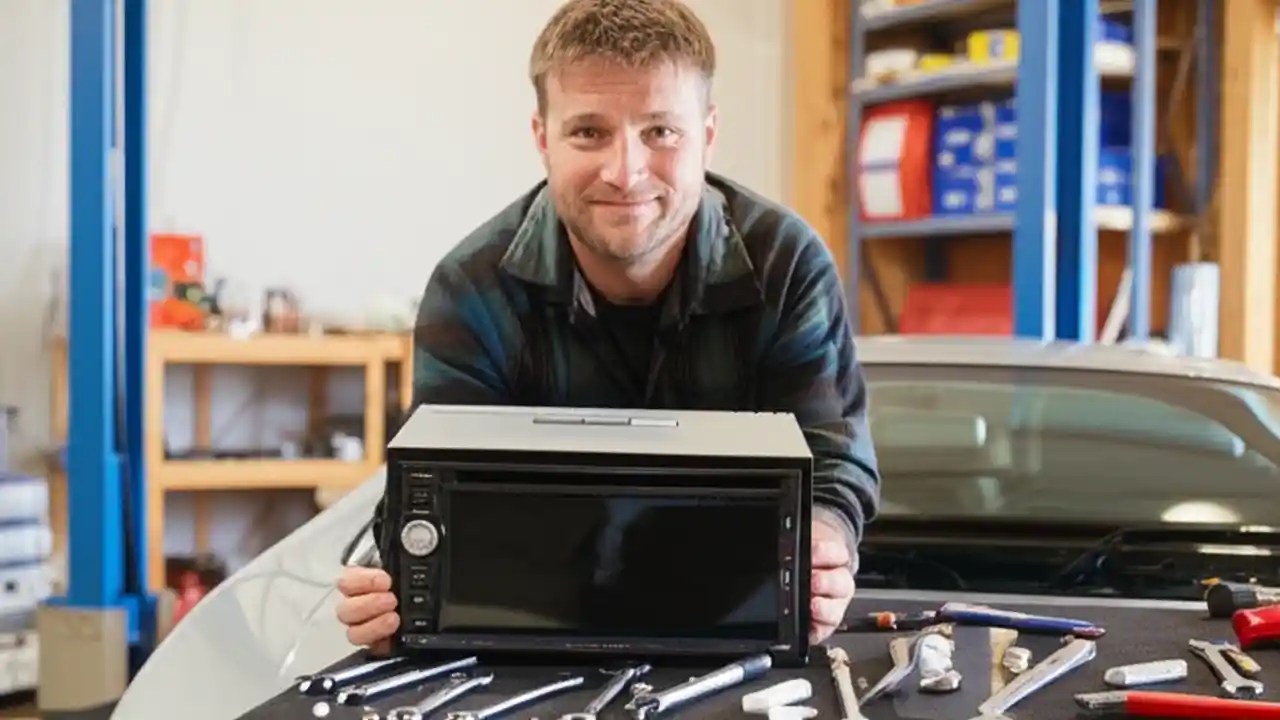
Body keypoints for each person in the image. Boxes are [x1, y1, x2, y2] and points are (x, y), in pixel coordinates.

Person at [336, 0, 880, 653]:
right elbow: (427, 490)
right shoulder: (472, 291)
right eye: (589, 132)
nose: (626, 174)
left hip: (740, 628)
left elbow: (834, 460)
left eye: (660, 132)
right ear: (542, 137)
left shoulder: (787, 267)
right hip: (529, 637)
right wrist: (395, 588)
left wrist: (822, 542)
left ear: (707, 134)